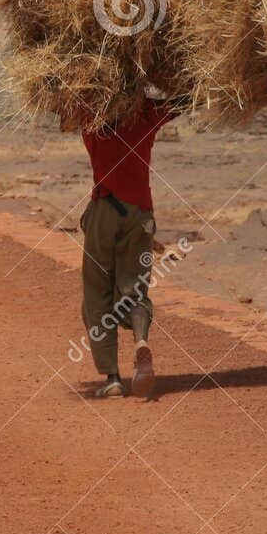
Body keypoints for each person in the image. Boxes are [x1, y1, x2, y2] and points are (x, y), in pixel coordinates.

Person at [77, 95, 185, 400]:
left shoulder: (90, 111)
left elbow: (60, 100)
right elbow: (187, 100)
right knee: (135, 288)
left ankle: (112, 378)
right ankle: (140, 342)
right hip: (140, 214)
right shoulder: (146, 112)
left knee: (97, 292)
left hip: (104, 212)